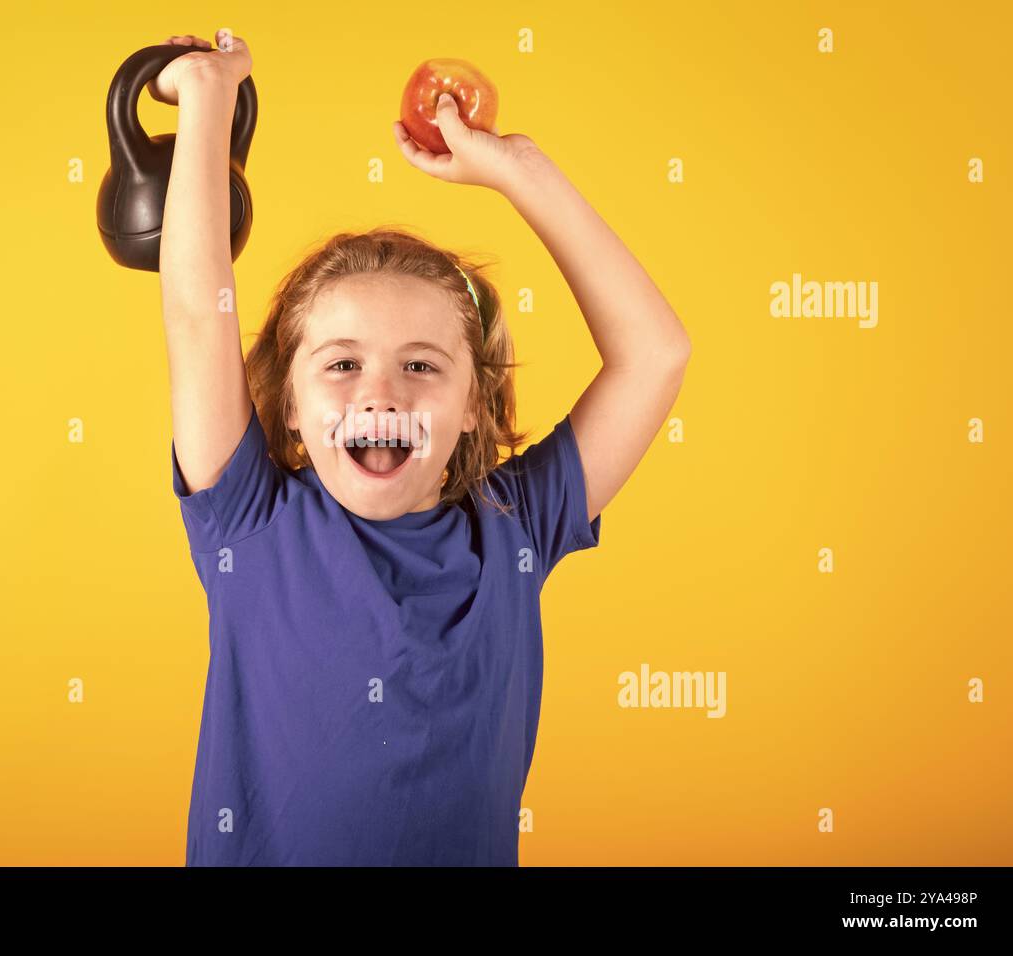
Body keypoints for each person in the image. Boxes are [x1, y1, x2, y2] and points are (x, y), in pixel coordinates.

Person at [155, 29, 691, 865]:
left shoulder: (515, 529)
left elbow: (656, 355)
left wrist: (519, 169)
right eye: (341, 364)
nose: (382, 393)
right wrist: (208, 98)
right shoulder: (247, 524)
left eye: (421, 365)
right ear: (288, 408)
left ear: (474, 403)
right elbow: (197, 314)